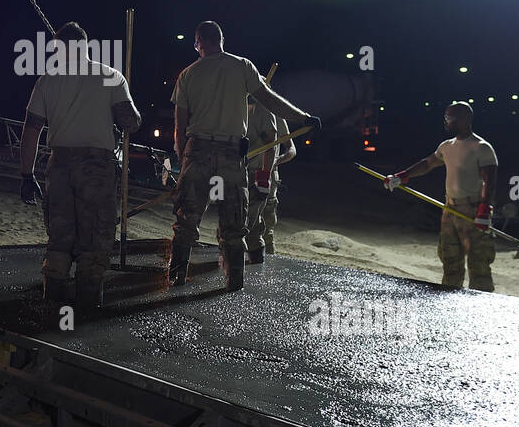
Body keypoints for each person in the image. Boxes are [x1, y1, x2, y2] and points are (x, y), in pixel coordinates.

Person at [169, 22, 320, 291]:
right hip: (230, 153)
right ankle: (234, 282)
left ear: (199, 42)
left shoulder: (187, 75)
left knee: (186, 218)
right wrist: (304, 118)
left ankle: (177, 276)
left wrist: (184, 161)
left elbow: (180, 126)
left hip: (198, 150)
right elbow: (271, 100)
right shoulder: (243, 66)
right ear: (222, 40)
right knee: (234, 221)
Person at [19, 23, 142, 317]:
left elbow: (32, 128)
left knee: (60, 236)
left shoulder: (47, 80)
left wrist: (27, 174)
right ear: (87, 46)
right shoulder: (111, 76)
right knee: (95, 237)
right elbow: (131, 123)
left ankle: (52, 302)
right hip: (96, 169)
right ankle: (87, 306)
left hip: (59, 165)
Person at [384, 101, 497, 292]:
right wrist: (402, 176)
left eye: (450, 118)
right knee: (450, 258)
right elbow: (428, 164)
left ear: (465, 119)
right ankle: (450, 300)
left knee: (479, 263)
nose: (446, 122)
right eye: (445, 118)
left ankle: (481, 304)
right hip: (449, 209)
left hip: (472, 210)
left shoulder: (481, 147)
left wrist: (484, 211)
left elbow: (489, 181)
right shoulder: (447, 146)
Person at [244, 89, 298, 263]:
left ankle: (269, 267)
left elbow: (291, 149)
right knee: (241, 222)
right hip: (242, 173)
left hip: (267, 177)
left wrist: (278, 160)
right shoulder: (237, 111)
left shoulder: (273, 114)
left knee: (266, 228)